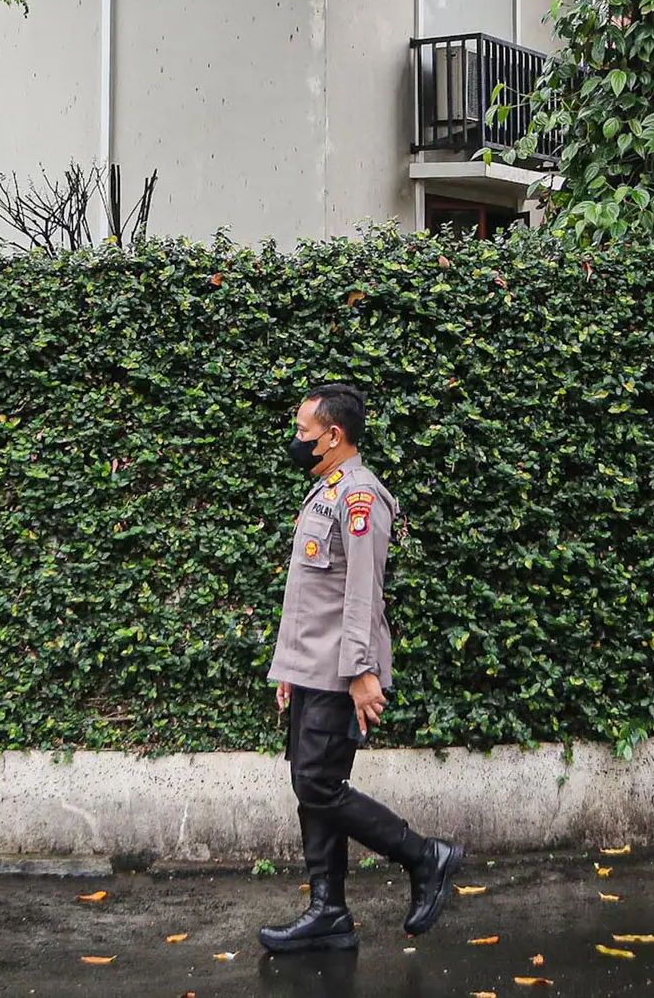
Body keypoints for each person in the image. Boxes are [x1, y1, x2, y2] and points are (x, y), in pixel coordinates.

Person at [260, 383, 464, 953]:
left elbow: (361, 593)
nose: (296, 439)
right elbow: (307, 594)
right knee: (312, 786)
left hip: (339, 671)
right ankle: (329, 913)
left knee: (319, 784)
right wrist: (289, 668)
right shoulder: (325, 491)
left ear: (333, 435)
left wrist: (360, 671)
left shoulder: (361, 498)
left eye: (303, 431)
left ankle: (426, 856)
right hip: (312, 669)